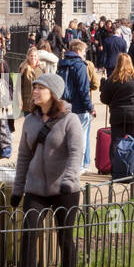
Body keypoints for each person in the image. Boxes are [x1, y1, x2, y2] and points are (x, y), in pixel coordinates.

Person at [10, 73, 84, 267]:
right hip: (36, 188)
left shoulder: (70, 121)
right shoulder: (31, 121)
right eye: (34, 88)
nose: (34, 91)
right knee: (29, 233)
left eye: (39, 88)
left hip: (64, 189)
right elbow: (23, 156)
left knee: (65, 236)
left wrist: (69, 179)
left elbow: (76, 154)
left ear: (53, 92)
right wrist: (17, 188)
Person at [100, 53, 134, 167]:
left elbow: (104, 99)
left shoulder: (112, 80)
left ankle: (116, 168)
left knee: (116, 141)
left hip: (118, 114)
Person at [58, 38, 95, 171]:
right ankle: (78, 165)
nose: (85, 53)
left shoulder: (62, 64)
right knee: (81, 137)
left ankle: (68, 164)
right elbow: (83, 89)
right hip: (79, 106)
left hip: (66, 104)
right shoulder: (80, 65)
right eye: (84, 51)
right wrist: (90, 107)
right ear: (79, 51)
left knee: (67, 136)